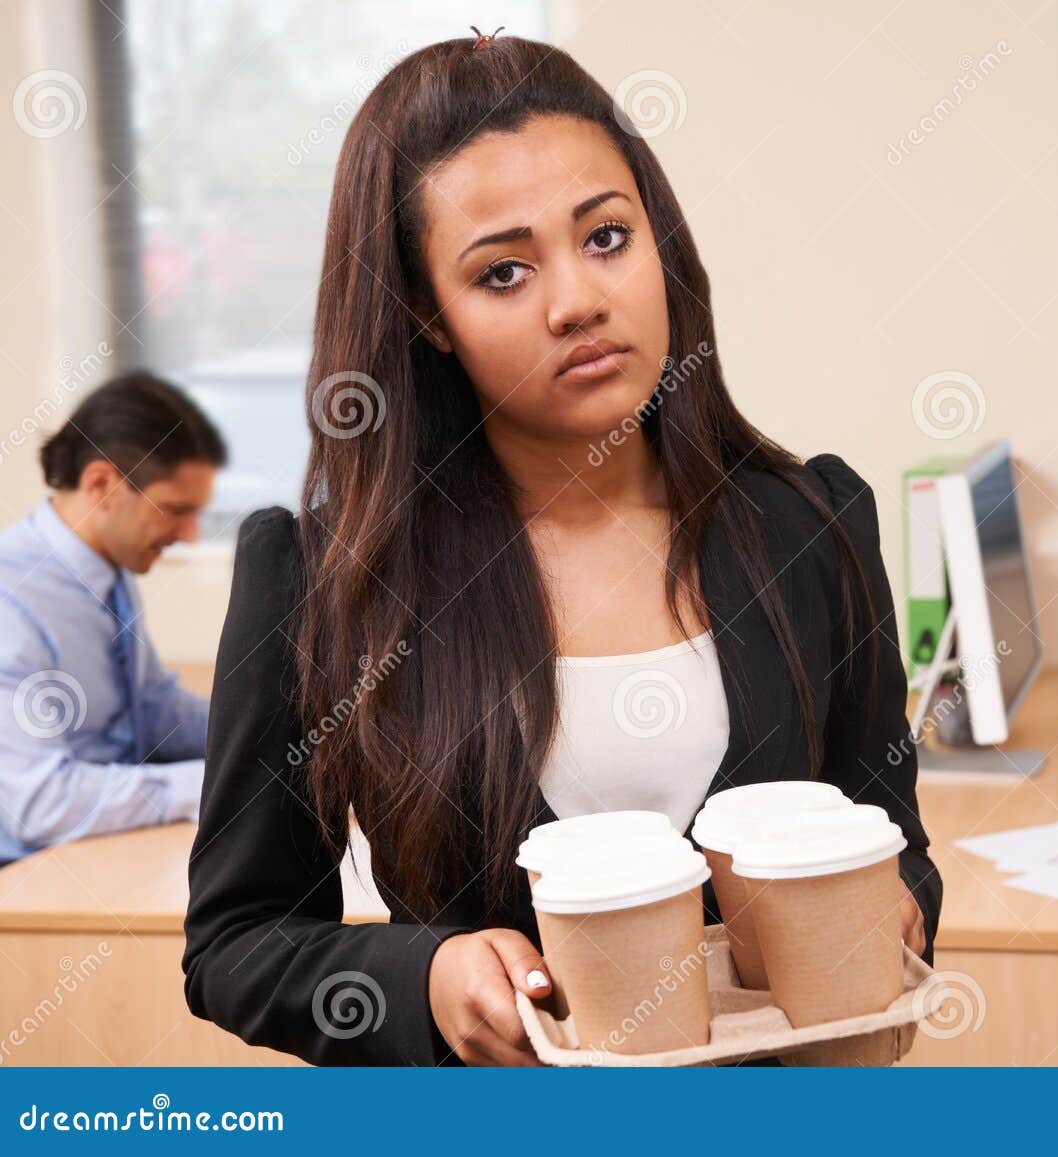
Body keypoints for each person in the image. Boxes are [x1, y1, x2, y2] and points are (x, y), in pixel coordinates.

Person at [182, 35, 942, 1067]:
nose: (576, 299)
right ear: (427, 315)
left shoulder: (810, 524)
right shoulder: (321, 580)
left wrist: (890, 912)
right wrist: (428, 976)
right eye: (501, 271)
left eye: (607, 236)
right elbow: (238, 942)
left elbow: (892, 839)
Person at [0, 371, 226, 864]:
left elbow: (154, 708)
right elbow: (41, 805)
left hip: (103, 850)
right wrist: (207, 781)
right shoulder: (10, 602)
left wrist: (277, 740)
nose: (189, 534)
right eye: (175, 510)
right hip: (25, 875)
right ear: (101, 485)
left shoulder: (108, 572)